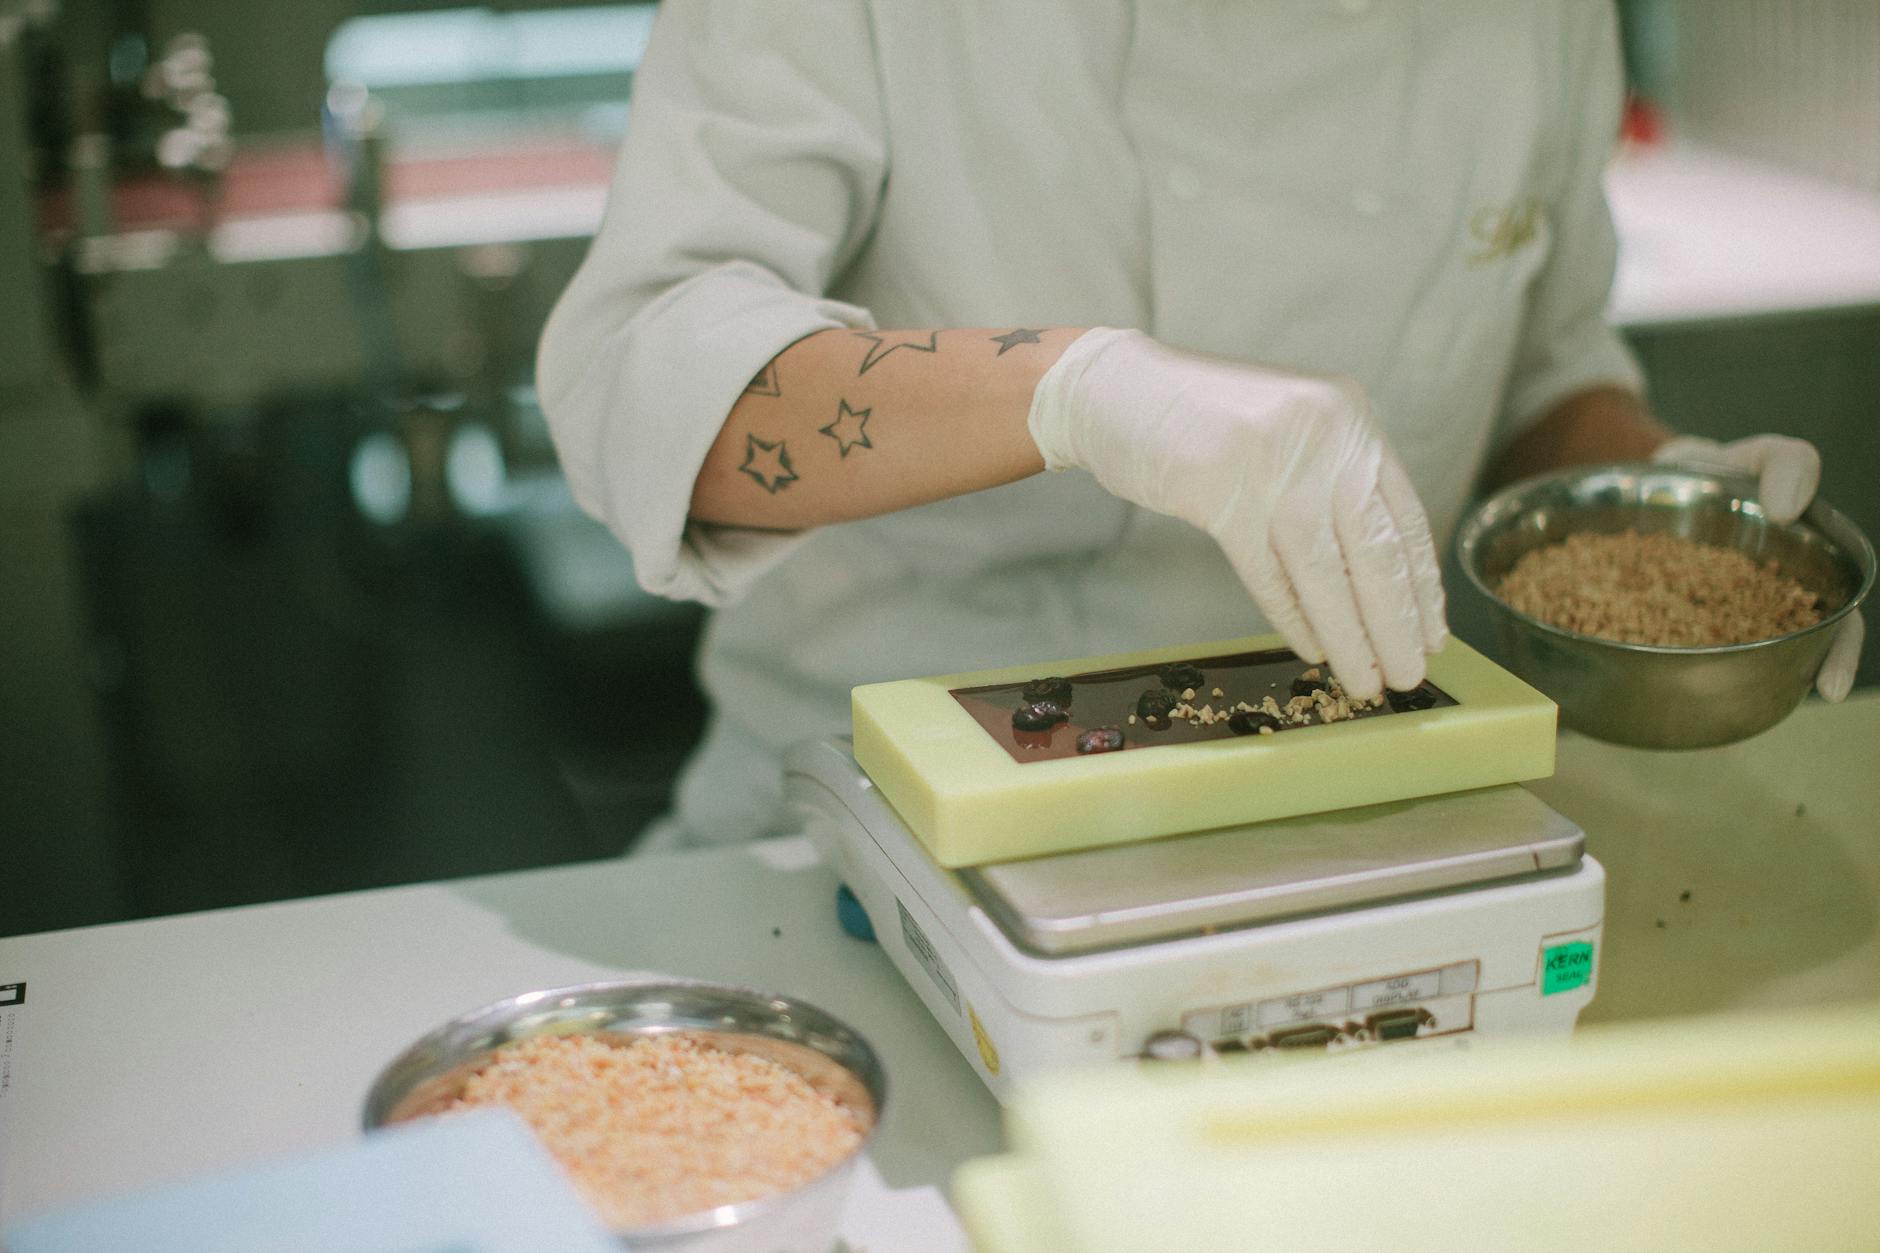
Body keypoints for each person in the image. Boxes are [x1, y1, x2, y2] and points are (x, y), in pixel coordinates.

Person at [538, 1, 1862, 853]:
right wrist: (1079, 393)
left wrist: (1654, 501)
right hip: (874, 828)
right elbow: (644, 381)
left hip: (1384, 827)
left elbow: (1539, 367)